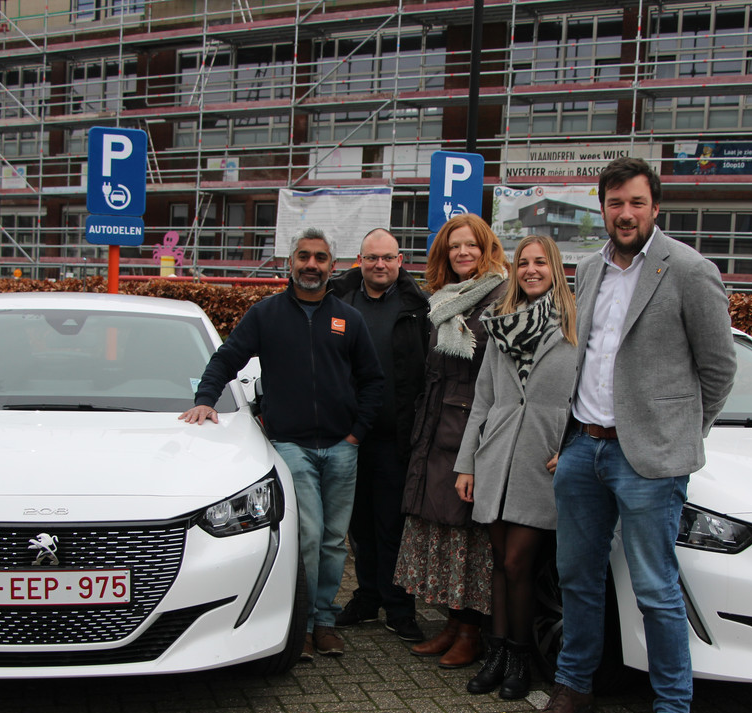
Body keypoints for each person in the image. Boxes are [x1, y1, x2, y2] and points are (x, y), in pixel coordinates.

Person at [532, 158, 737, 713]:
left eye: (637, 203)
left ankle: (672, 712)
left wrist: (678, 437)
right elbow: (588, 354)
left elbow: (719, 369)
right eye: (616, 203)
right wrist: (570, 436)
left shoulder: (690, 271)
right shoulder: (590, 268)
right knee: (577, 577)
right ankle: (575, 686)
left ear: (655, 208)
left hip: (646, 459)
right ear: (603, 208)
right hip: (582, 449)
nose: (626, 214)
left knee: (654, 588)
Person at [180, 227, 384, 662]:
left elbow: (372, 381)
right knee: (308, 536)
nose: (312, 265)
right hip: (291, 447)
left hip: (343, 447)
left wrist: (356, 433)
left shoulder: (348, 319)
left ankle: (325, 620)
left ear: (333, 266)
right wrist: (204, 401)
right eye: (304, 257)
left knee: (333, 540)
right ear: (290, 263)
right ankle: (304, 625)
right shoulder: (266, 314)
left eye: (321, 258)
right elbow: (226, 359)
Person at [454, 235, 578, 700]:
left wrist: (574, 447)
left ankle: (521, 658)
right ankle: (499, 655)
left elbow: (590, 397)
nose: (530, 270)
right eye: (523, 262)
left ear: (556, 268)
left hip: (542, 461)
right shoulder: (500, 324)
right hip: (496, 457)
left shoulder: (575, 325)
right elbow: (483, 399)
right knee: (501, 567)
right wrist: (467, 463)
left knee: (517, 562)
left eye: (540, 262)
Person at [395, 213, 508, 669]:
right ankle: (453, 624)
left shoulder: (500, 297)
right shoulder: (446, 300)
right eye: (454, 247)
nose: (463, 253)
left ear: (487, 249)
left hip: (472, 432)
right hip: (437, 425)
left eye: (471, 246)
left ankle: (473, 632)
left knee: (471, 534)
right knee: (444, 530)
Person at [331, 228, 431, 643]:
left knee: (391, 525)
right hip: (347, 436)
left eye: (387, 258)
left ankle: (399, 606)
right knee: (358, 527)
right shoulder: (339, 300)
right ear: (360, 259)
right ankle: (368, 596)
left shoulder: (418, 306)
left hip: (395, 437)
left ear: (400, 260)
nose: (380, 265)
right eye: (371, 258)